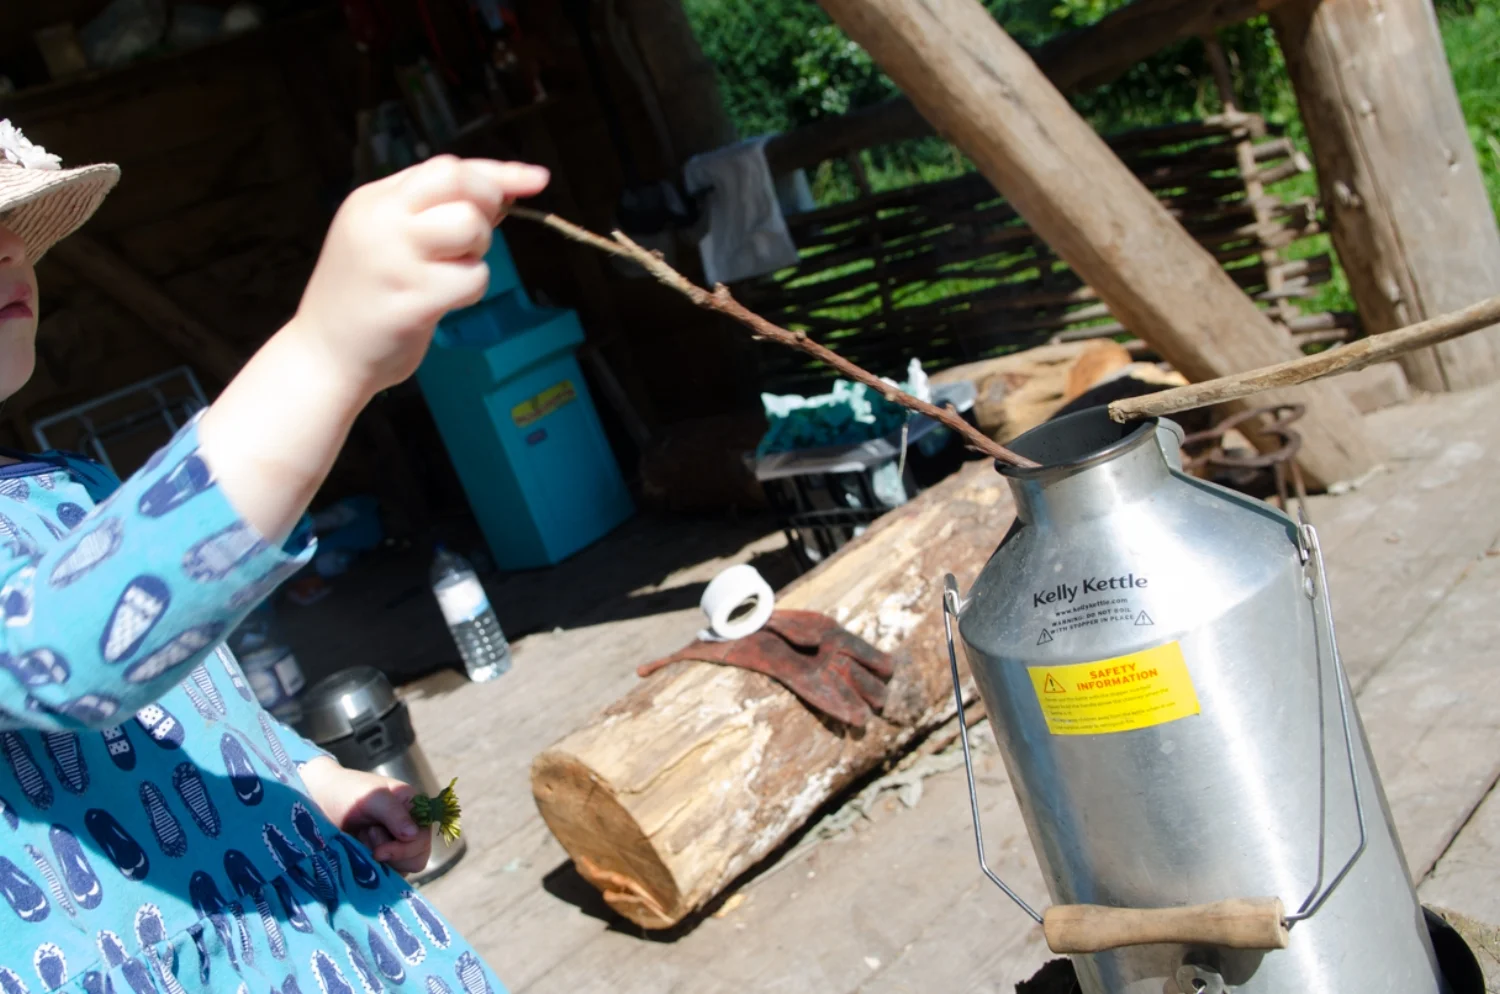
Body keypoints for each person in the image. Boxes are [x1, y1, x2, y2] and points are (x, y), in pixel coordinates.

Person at [0, 121, 548, 994]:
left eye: (17, 223)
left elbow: (189, 705)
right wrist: (323, 356)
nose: (11, 249)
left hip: (308, 928)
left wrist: (315, 783)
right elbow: (55, 655)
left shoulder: (67, 487)